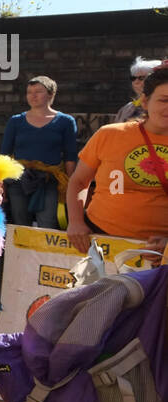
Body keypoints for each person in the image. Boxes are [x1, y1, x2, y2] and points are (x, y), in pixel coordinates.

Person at [66, 62, 168, 260]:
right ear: (145, 102)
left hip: (159, 255)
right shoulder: (110, 134)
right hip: (100, 241)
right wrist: (76, 222)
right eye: (164, 100)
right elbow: (78, 181)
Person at [0, 76, 77, 229]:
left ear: (50, 94)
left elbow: (70, 156)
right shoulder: (16, 121)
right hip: (19, 179)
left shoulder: (66, 122)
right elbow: (4, 155)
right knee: (20, 224)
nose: (33, 96)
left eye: (38, 91)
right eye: (29, 92)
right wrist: (2, 185)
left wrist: (70, 185)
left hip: (49, 180)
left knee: (47, 224)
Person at [114, 57, 159, 124]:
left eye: (142, 78)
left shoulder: (162, 106)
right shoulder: (127, 108)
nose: (136, 82)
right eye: (133, 78)